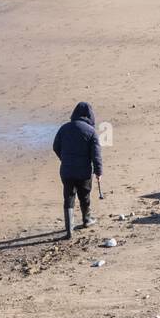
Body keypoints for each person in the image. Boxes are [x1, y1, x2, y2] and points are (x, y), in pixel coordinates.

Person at [52, 102, 104, 239]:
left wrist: (64, 159)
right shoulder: (91, 132)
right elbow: (96, 154)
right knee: (84, 195)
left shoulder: (64, 128)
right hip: (83, 171)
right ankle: (87, 219)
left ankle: (69, 229)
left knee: (68, 196)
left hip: (67, 171)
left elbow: (55, 146)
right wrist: (98, 171)